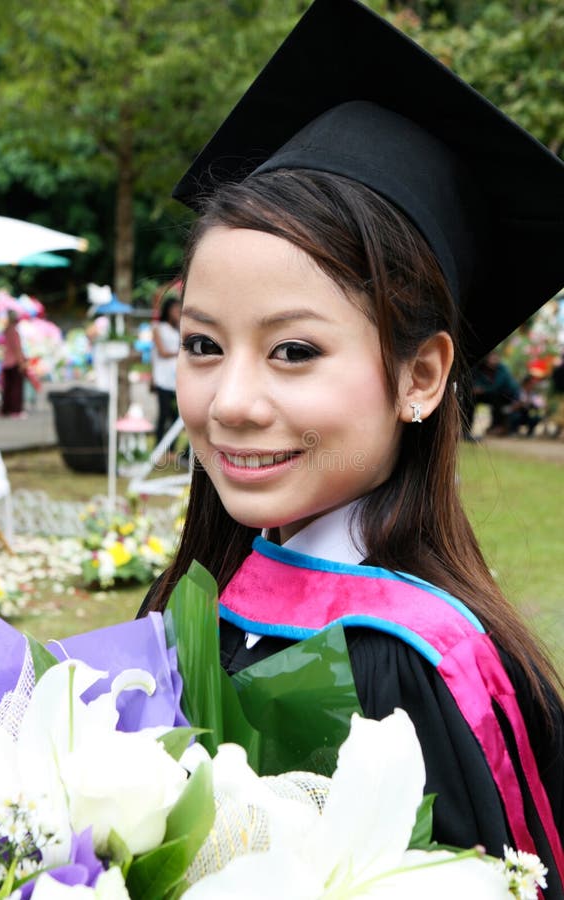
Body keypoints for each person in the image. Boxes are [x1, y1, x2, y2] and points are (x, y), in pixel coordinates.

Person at [138, 0, 564, 892]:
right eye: (203, 343)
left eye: (294, 351)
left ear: (421, 376)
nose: (231, 402)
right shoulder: (188, 608)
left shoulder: (422, 669)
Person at [466, 351, 521, 437]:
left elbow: (497, 386)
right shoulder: (480, 368)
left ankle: (498, 427)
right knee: (470, 399)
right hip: (491, 394)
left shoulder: (502, 369)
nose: (493, 361)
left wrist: (482, 389)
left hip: (507, 396)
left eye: (495, 358)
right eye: (492, 358)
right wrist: (476, 388)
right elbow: (474, 381)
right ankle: (466, 428)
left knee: (499, 405)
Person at [151, 295, 182, 445]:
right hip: (162, 377)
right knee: (163, 413)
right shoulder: (158, 328)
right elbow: (161, 352)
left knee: (176, 415)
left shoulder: (179, 330)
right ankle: (159, 446)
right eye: (174, 309)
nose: (177, 312)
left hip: (176, 378)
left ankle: (172, 448)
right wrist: (180, 352)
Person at [0, 309, 27, 417]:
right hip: (14, 362)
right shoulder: (14, 332)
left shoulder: (6, 331)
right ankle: (15, 410)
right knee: (16, 388)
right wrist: (21, 363)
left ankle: (6, 410)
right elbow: (17, 349)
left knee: (8, 388)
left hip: (6, 362)